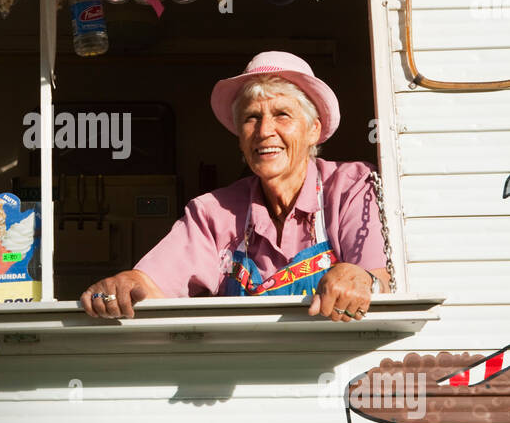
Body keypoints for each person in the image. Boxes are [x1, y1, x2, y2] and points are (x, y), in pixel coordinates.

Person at [81, 51, 390, 322]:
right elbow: (151, 284)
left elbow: (378, 280)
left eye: (282, 114)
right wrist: (122, 285)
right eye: (251, 118)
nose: (265, 131)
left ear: (313, 129)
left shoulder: (352, 187)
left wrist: (361, 279)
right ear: (240, 138)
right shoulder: (213, 212)